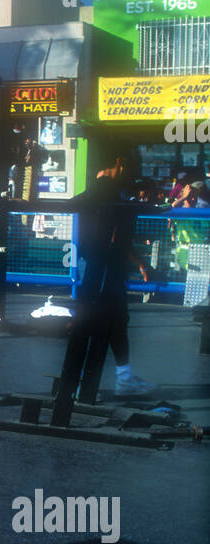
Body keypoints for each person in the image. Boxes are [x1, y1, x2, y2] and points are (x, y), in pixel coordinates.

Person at [72, 156, 155, 398]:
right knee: (104, 321)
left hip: (96, 267)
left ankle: (120, 379)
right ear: (119, 162)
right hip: (105, 269)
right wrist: (141, 263)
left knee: (112, 321)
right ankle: (84, 385)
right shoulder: (112, 198)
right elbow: (119, 240)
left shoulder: (93, 196)